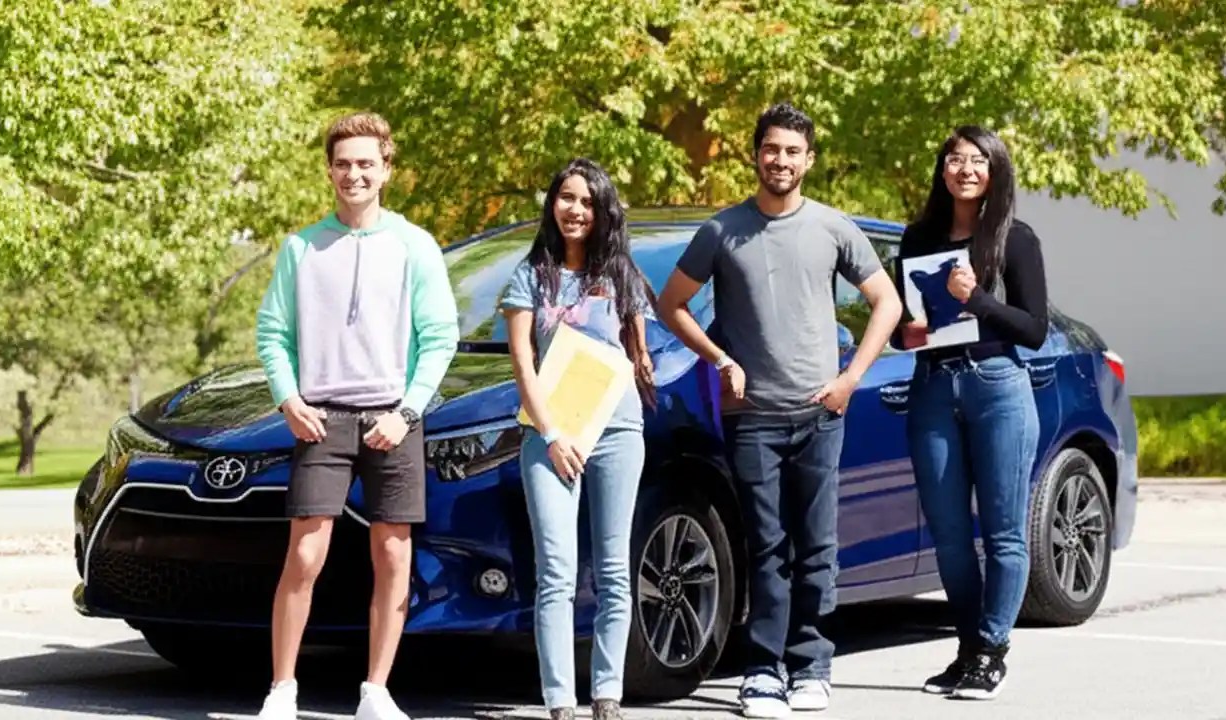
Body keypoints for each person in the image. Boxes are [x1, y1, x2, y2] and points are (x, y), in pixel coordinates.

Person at [657, 103, 902, 718]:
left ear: (808, 159)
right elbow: (673, 305)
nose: (782, 160)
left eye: (793, 151)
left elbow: (887, 304)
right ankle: (762, 672)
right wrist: (720, 358)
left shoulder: (833, 228)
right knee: (766, 546)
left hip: (821, 413)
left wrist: (850, 378)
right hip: (753, 416)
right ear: (756, 154)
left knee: (817, 546)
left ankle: (812, 666)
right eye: (772, 149)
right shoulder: (721, 231)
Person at [253, 111, 460, 720]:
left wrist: (408, 410)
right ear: (329, 171)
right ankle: (282, 690)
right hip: (321, 417)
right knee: (306, 556)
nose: (354, 174)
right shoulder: (301, 248)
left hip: (394, 419)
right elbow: (272, 333)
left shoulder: (414, 245)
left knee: (394, 555)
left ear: (386, 170)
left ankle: (376, 691)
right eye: (343, 164)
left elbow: (440, 335)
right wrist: (288, 398)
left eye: (366, 163)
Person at [892, 125, 1048, 701]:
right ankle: (967, 650)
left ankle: (992, 650)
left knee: (1004, 531)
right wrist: (905, 335)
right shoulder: (917, 238)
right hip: (933, 385)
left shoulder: (1015, 238)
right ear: (942, 169)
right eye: (954, 159)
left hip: (998, 388)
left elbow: (1034, 329)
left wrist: (976, 300)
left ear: (994, 170)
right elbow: (910, 328)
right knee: (950, 536)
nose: (965, 169)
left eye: (977, 160)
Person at [499, 158, 658, 720]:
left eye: (587, 202)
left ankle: (607, 695)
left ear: (602, 212)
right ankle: (560, 700)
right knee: (557, 572)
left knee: (615, 569)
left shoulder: (623, 277)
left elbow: (637, 354)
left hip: (617, 430)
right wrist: (551, 432)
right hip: (550, 434)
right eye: (567, 198)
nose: (575, 210)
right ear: (552, 204)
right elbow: (523, 361)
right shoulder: (529, 276)